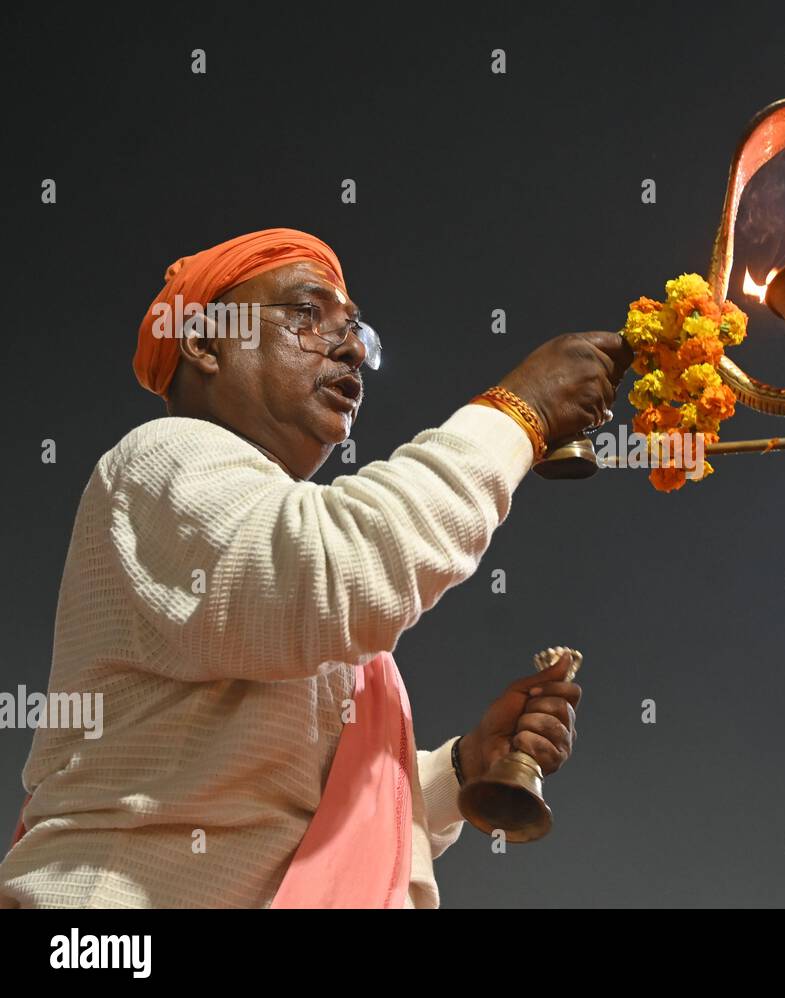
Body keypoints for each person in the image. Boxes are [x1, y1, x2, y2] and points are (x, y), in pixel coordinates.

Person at [0, 228, 633, 908]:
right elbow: (351, 566)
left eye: (358, 330)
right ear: (204, 342)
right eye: (306, 314)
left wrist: (458, 770)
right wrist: (518, 413)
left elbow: (294, 815)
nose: (354, 346)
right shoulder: (165, 458)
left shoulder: (262, 537)